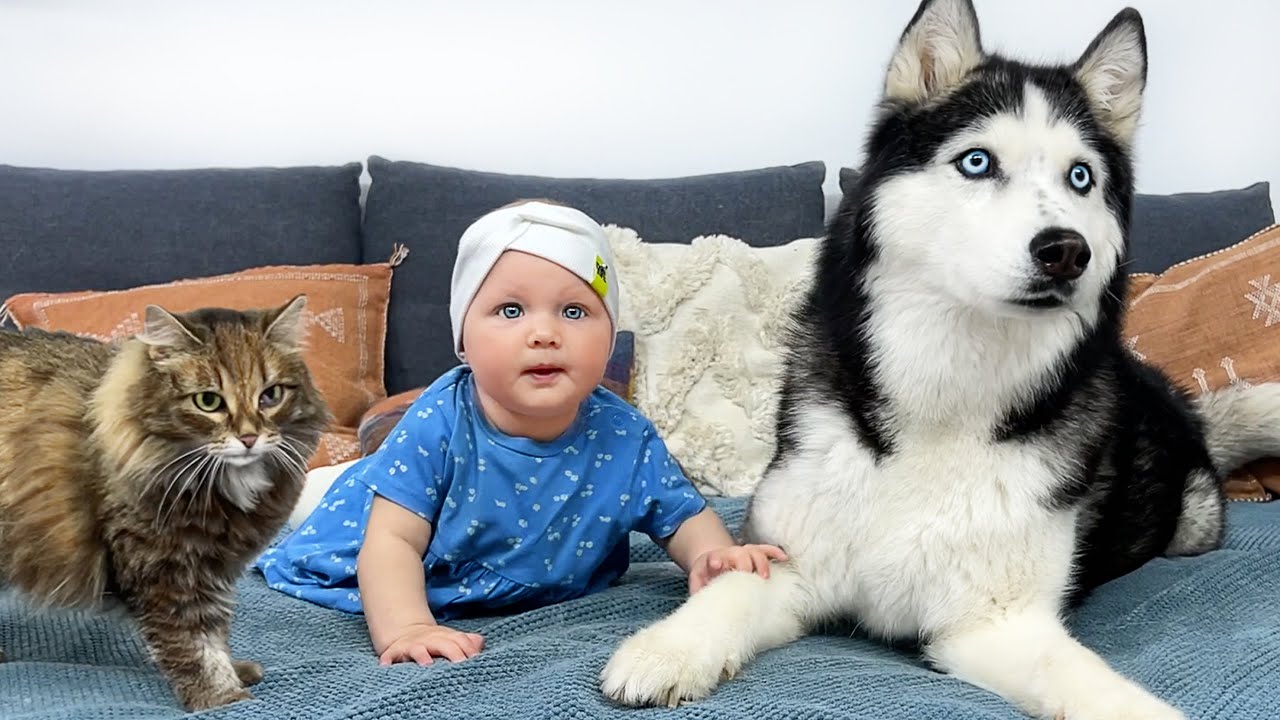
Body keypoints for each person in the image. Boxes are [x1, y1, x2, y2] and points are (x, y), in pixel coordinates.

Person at [257, 199, 786, 666]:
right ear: (463, 337)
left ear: (610, 337)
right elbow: (391, 541)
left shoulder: (624, 435)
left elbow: (682, 515)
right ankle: (331, 482)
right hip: (401, 542)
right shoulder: (440, 421)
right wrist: (408, 627)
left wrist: (713, 557)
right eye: (510, 310)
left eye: (574, 311)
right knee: (369, 498)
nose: (544, 334)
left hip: (514, 554)